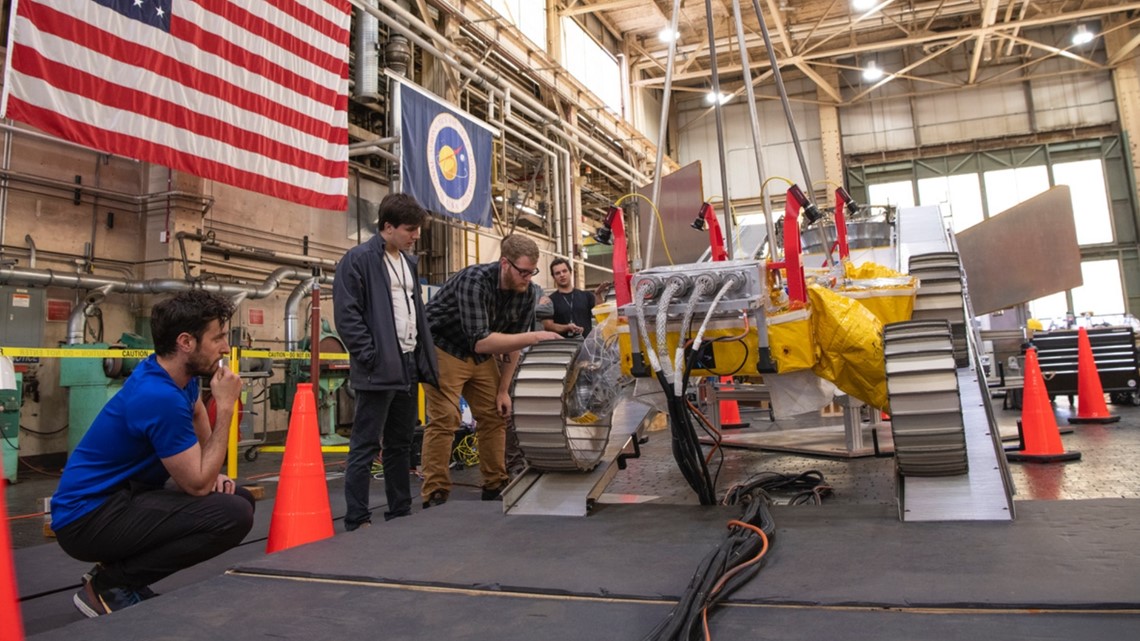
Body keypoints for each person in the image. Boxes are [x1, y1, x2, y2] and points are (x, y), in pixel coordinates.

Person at [51, 290, 254, 617]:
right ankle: (111, 585)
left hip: (123, 496)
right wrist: (228, 407)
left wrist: (213, 470)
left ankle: (123, 577)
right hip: (86, 517)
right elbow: (197, 486)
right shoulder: (159, 396)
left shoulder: (175, 375)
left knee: (239, 497)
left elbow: (198, 410)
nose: (225, 347)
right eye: (217, 338)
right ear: (186, 342)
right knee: (231, 515)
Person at [420, 234, 562, 508]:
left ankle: (494, 483)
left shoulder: (527, 292)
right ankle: (435, 491)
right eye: (523, 272)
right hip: (443, 346)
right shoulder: (474, 281)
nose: (528, 278)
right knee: (446, 418)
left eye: (532, 272)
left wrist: (502, 391)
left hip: (479, 354)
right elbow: (482, 340)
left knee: (495, 414)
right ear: (504, 264)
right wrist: (536, 337)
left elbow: (512, 347)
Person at [334, 192, 440, 531]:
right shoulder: (358, 259)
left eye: (418, 229)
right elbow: (347, 316)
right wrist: (370, 356)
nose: (416, 236)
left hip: (407, 364)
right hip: (379, 367)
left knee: (400, 443)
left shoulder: (408, 262)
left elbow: (412, 311)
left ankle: (399, 511)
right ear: (387, 226)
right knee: (365, 445)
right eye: (410, 229)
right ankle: (357, 518)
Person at [543, 257, 605, 338]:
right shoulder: (550, 300)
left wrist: (598, 294)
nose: (562, 275)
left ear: (571, 272)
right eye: (558, 273)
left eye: (564, 271)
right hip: (562, 346)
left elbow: (601, 315)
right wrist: (567, 327)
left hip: (585, 345)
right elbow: (547, 326)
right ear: (553, 277)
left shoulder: (586, 295)